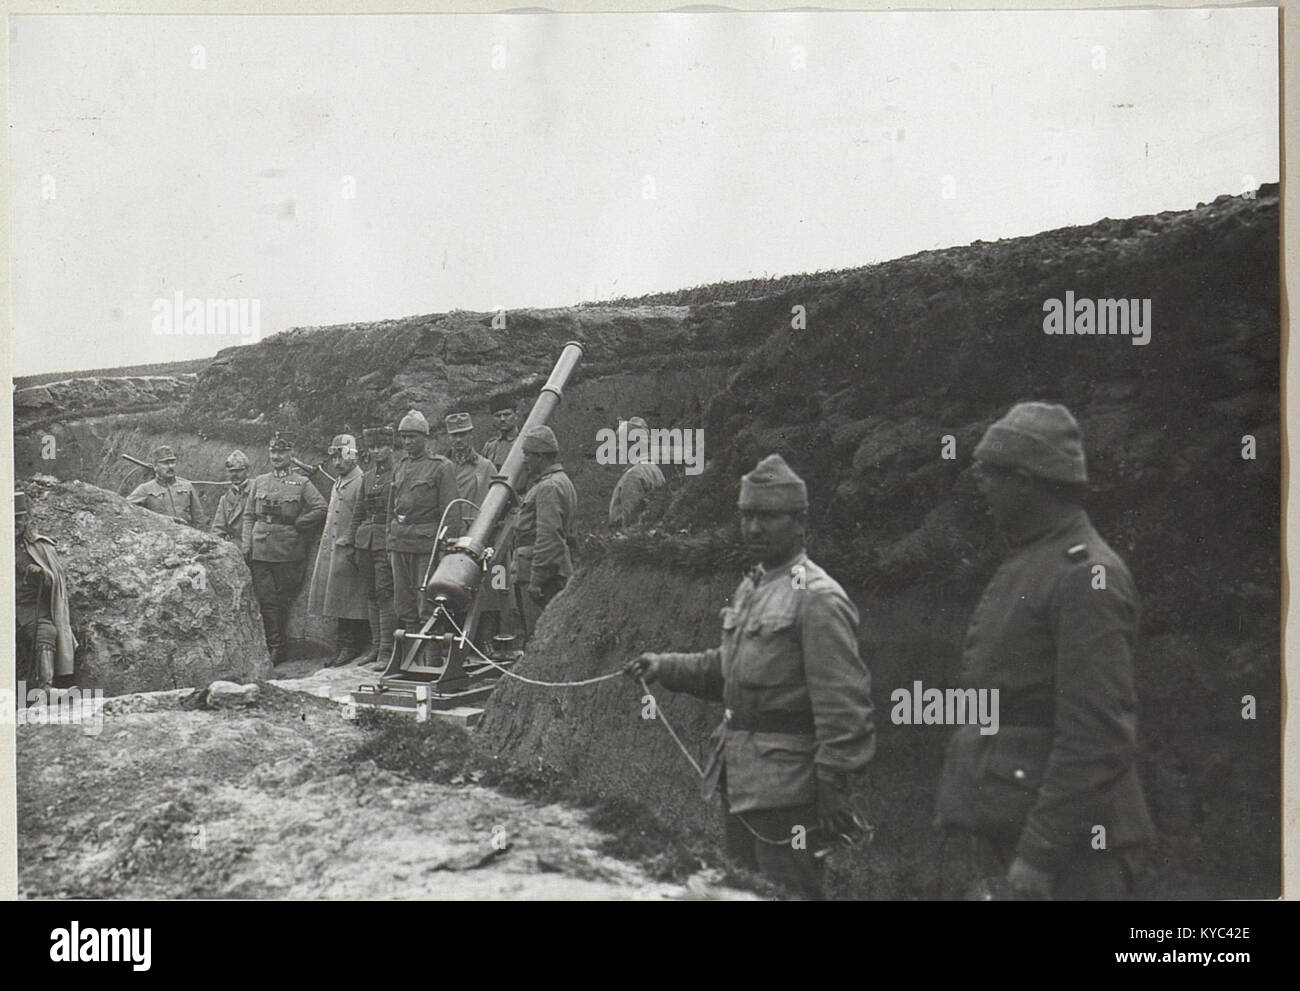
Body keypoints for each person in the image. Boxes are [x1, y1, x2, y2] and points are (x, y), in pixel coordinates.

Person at [625, 454, 875, 900]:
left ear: (799, 522)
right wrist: (665, 667)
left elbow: (845, 709)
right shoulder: (755, 586)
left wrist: (833, 787)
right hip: (741, 781)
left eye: (767, 516)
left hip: (790, 795)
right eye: (746, 515)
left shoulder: (817, 598)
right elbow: (729, 668)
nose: (754, 528)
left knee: (790, 892)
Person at [934, 402, 1155, 900]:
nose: (980, 485)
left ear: (1028, 481)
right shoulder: (1034, 561)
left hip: (1072, 857)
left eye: (990, 473)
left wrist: (1040, 854)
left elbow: (1096, 733)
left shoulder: (1086, 575)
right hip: (1012, 833)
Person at [242, 433, 328, 666]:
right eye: (273, 452)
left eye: (281, 452)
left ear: (291, 454)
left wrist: (301, 522)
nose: (276, 456)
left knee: (282, 600)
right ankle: (274, 647)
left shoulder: (301, 483)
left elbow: (321, 507)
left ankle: (282, 645)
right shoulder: (259, 481)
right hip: (260, 550)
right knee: (266, 599)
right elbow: (249, 515)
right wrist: (247, 543)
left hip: (288, 551)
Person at [388, 410, 462, 633]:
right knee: (403, 602)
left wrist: (446, 548)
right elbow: (390, 509)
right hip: (399, 542)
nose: (407, 442)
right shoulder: (399, 466)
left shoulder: (441, 466)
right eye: (404, 437)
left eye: (413, 437)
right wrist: (388, 542)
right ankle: (409, 656)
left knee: (428, 603)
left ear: (425, 438)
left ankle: (431, 657)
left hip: (426, 544)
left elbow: (451, 511)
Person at [307, 434, 370, 666]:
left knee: (350, 600)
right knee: (336, 600)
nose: (336, 463)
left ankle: (352, 646)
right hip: (333, 549)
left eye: (341, 457)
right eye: (333, 457)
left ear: (352, 456)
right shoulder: (339, 482)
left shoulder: (361, 481)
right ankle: (342, 645)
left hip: (349, 549)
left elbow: (363, 517)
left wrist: (354, 544)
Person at [513, 424, 577, 637]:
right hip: (554, 569)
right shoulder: (560, 481)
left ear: (540, 456)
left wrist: (536, 580)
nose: (525, 460)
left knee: (539, 636)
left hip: (541, 574)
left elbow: (548, 536)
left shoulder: (548, 487)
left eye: (527, 455)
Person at [14, 491, 77, 689]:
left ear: (27, 519)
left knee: (46, 631)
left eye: (19, 519)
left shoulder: (39, 546)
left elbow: (55, 583)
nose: (15, 524)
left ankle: (46, 687)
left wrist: (40, 573)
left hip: (31, 607)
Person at [351, 424, 397, 668]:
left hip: (385, 541)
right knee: (370, 594)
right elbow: (359, 511)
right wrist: (352, 541)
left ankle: (387, 651)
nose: (377, 451)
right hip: (364, 542)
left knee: (384, 593)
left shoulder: (398, 473)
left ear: (391, 447)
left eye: (381, 446)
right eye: (372, 447)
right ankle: (375, 646)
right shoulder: (367, 477)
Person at [127, 445, 206, 528]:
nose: (170, 466)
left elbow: (199, 518)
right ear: (155, 466)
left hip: (186, 535)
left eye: (172, 462)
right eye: (165, 463)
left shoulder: (187, 486)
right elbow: (125, 508)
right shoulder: (145, 489)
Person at [608, 417, 666, 529]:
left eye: (620, 442)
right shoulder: (656, 470)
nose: (617, 448)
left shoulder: (633, 476)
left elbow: (630, 522)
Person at [444, 412, 495, 530]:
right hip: (445, 530)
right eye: (454, 435)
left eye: (462, 434)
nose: (458, 439)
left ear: (471, 434)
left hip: (475, 531)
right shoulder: (441, 467)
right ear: (448, 437)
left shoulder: (486, 467)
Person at [210, 450, 252, 542]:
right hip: (232, 547)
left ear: (247, 471)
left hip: (252, 546)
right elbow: (218, 529)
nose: (234, 475)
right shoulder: (225, 499)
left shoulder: (256, 493)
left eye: (239, 471)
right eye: (231, 471)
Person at [482, 395, 519, 469]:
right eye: (498, 415)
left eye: (506, 414)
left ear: (516, 415)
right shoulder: (490, 446)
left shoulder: (524, 442)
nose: (502, 419)